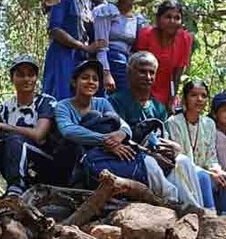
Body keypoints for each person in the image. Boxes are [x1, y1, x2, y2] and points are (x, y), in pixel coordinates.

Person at [56, 60, 180, 201]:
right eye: (85, 78)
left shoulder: (102, 103)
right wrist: (105, 141)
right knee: (94, 117)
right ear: (74, 82)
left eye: (95, 79)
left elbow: (123, 126)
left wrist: (120, 135)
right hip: (76, 159)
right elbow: (68, 130)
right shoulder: (63, 106)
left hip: (105, 154)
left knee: (111, 119)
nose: (90, 82)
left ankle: (172, 201)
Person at [108, 52, 202, 207]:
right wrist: (151, 155)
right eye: (142, 71)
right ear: (130, 72)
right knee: (152, 163)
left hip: (157, 157)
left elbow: (162, 138)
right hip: (133, 159)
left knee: (183, 161)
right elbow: (120, 140)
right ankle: (174, 205)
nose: (148, 76)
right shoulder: (116, 102)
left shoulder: (158, 107)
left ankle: (194, 208)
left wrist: (172, 150)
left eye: (152, 72)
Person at [0, 55, 59, 196]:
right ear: (12, 78)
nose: (26, 79)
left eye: (31, 75)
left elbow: (38, 135)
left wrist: (7, 127)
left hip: (44, 162)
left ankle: (16, 189)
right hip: (11, 161)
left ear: (36, 78)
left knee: (15, 139)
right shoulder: (4, 107)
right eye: (21, 75)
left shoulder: (46, 102)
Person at [166, 80, 226, 214]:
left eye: (203, 96)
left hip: (205, 173)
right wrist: (209, 173)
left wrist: (217, 171)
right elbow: (180, 159)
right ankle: (209, 217)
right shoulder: (174, 122)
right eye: (194, 95)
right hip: (182, 176)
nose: (199, 99)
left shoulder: (209, 123)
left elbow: (211, 157)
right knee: (203, 177)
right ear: (185, 98)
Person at [42, 0, 107, 100]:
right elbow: (55, 30)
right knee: (60, 98)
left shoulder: (86, 2)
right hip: (62, 57)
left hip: (80, 60)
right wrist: (84, 47)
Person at [93, 0, 147, 94]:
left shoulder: (138, 20)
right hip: (107, 64)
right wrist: (106, 74)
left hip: (126, 68)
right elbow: (101, 46)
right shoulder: (107, 11)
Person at [134, 0, 193, 110]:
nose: (172, 21)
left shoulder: (185, 39)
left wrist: (172, 98)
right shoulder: (146, 34)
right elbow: (138, 68)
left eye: (177, 18)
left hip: (165, 91)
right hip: (143, 86)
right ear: (159, 19)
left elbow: (177, 74)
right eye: (168, 17)